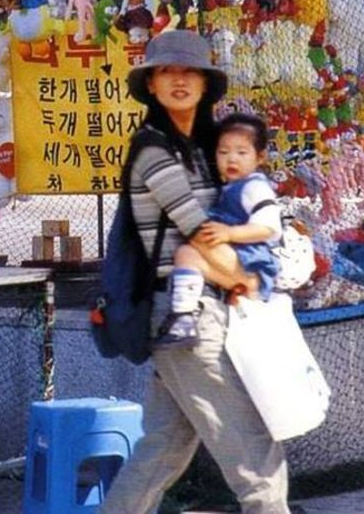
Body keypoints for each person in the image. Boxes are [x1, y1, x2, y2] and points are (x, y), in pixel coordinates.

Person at [99, 30, 290, 514]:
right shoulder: (153, 149)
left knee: (162, 449)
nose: (178, 79)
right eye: (166, 71)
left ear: (206, 84)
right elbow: (201, 232)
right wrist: (245, 281)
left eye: (189, 71)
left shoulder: (208, 149)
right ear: (153, 85)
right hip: (190, 315)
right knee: (255, 453)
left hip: (197, 313)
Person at [156, 112, 281, 347]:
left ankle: (246, 287)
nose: (231, 159)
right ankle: (183, 316)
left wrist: (229, 233)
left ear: (260, 156)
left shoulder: (255, 187)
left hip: (251, 262)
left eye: (242, 152)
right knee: (186, 255)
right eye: (223, 152)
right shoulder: (229, 188)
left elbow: (270, 227)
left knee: (196, 235)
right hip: (230, 264)